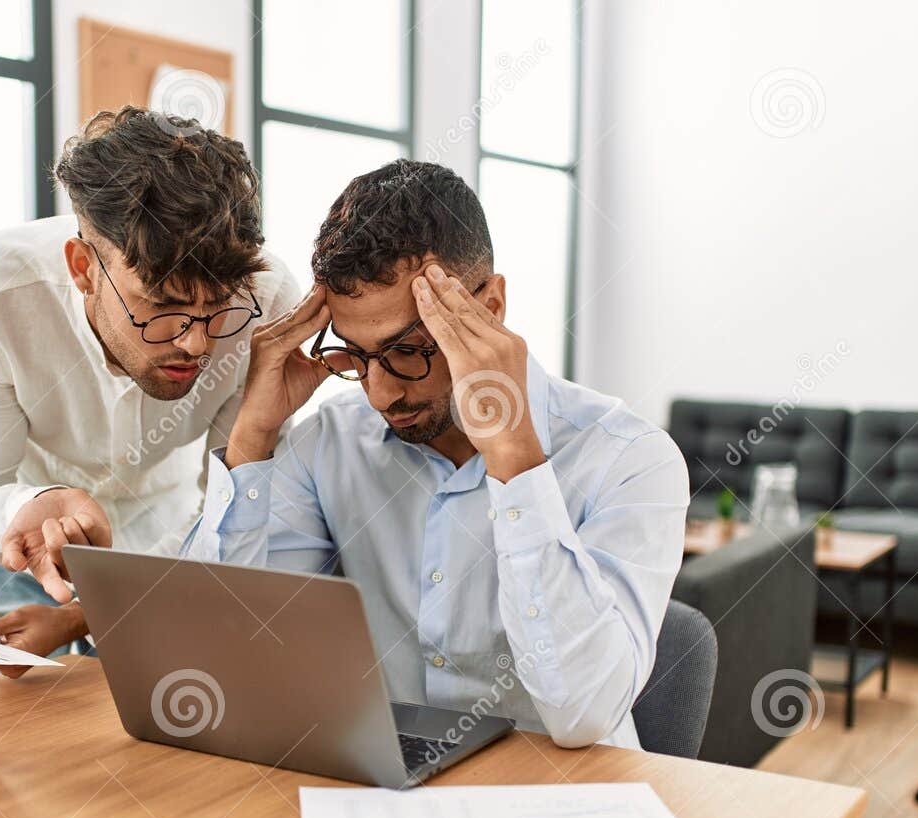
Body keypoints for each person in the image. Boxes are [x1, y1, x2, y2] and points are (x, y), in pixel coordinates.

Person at [181, 160, 689, 748]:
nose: (381, 393)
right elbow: (222, 655)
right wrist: (252, 438)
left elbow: (584, 713)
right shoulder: (329, 444)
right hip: (382, 792)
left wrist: (513, 457)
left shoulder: (630, 459)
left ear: (490, 306)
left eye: (410, 350)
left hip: (563, 804)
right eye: (356, 354)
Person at [0, 106, 301, 669]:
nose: (197, 345)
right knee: (2, 737)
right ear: (83, 270)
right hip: (14, 546)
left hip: (169, 541)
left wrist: (94, 612)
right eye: (163, 308)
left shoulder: (266, 305)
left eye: (216, 307)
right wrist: (35, 505)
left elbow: (231, 517)